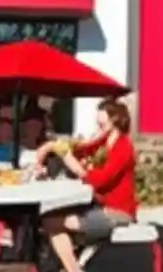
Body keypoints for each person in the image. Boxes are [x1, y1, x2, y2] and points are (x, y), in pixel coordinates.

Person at [36, 99, 138, 272]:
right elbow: (81, 149)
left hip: (117, 212)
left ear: (115, 120)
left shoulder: (123, 147)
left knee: (53, 222)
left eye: (102, 123)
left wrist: (76, 167)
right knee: (50, 220)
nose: (99, 127)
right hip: (100, 207)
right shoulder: (105, 141)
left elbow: (101, 179)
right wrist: (51, 146)